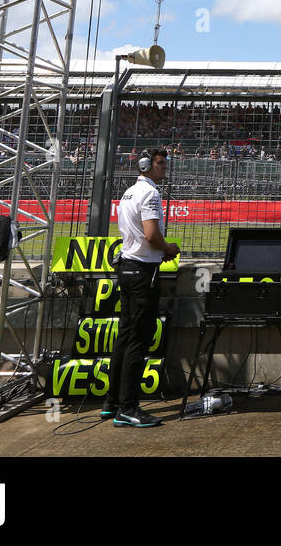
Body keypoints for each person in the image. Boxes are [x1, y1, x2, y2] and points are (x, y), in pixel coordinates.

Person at [103, 147, 179, 427]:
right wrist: (168, 247)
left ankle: (112, 401)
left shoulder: (129, 192)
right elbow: (151, 235)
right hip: (142, 271)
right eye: (161, 163)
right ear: (147, 165)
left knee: (125, 337)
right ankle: (129, 407)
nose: (164, 167)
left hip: (127, 267)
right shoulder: (150, 193)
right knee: (138, 339)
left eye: (165, 163)